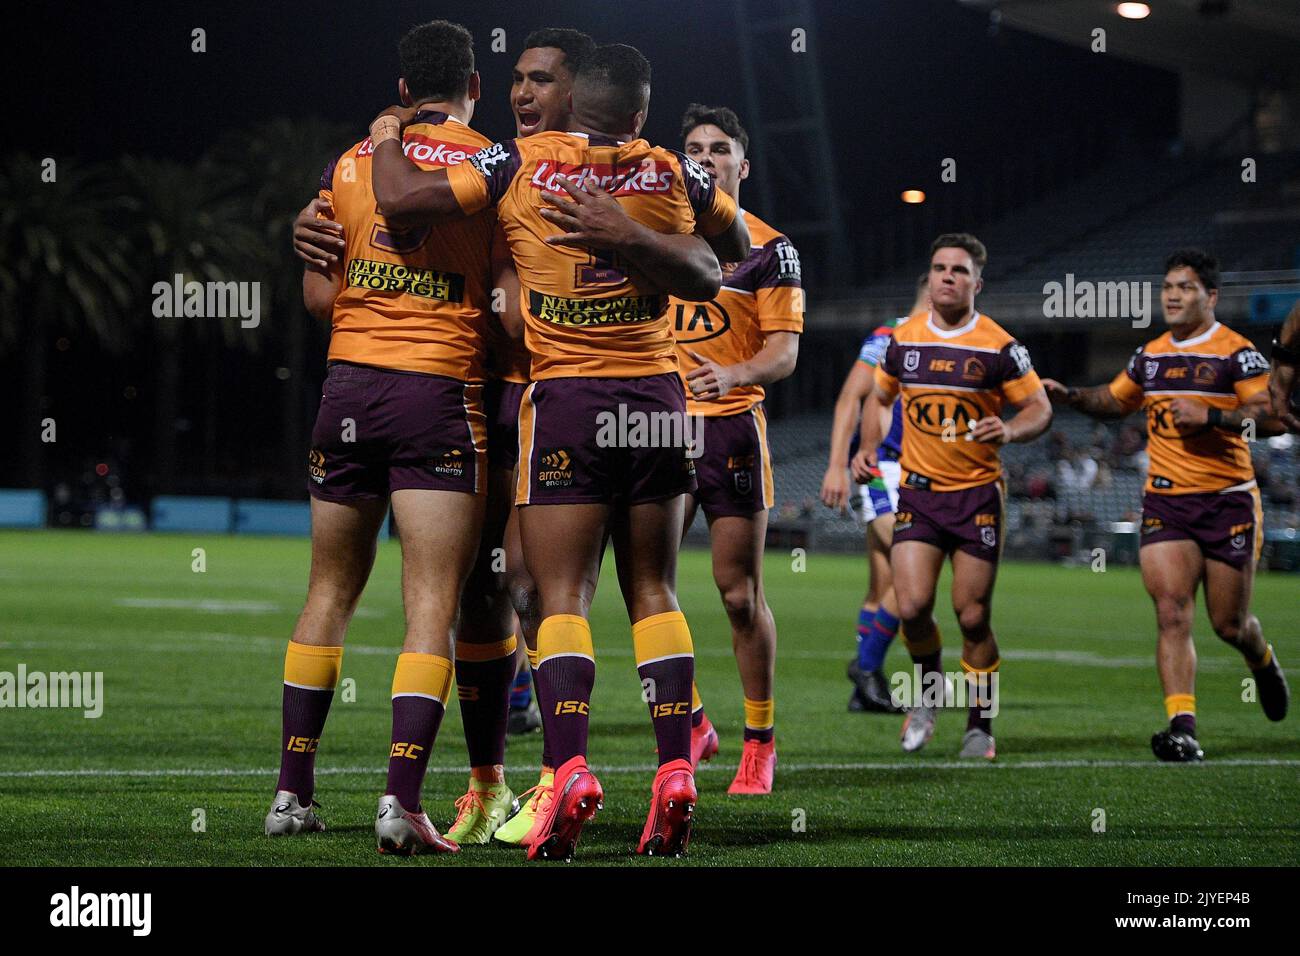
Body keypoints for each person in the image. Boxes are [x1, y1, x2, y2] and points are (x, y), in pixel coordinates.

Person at [368, 42, 749, 859]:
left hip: (566, 400)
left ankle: (568, 769)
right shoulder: (677, 172)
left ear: (572, 99)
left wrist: (391, 132)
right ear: (642, 115)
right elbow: (736, 248)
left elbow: (399, 201)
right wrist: (636, 233)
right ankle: (676, 771)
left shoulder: (520, 164)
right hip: (658, 401)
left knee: (560, 594)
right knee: (655, 591)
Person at [265, 19, 495, 855]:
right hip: (437, 393)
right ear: (475, 85)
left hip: (348, 388)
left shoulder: (350, 164)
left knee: (328, 592)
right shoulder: (487, 164)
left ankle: (292, 792)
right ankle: (399, 801)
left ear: (402, 90)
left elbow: (322, 301)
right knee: (430, 603)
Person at [1042, 249, 1289, 761]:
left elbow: (1271, 420)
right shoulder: (1151, 355)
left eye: (1185, 286)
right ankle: (1183, 727)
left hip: (1228, 503)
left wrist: (1214, 417)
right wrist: (1069, 395)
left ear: (1211, 296)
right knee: (1172, 613)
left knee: (1228, 625)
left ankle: (1260, 657)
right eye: (1168, 286)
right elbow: (1115, 401)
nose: (1173, 295)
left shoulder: (1235, 353)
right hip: (1166, 502)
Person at [851, 233, 1052, 760]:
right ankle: (928, 698)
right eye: (939, 267)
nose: (946, 277)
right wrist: (868, 448)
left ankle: (980, 725)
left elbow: (1039, 410)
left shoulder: (1000, 346)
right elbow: (878, 397)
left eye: (958, 271)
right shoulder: (905, 340)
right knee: (913, 605)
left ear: (976, 283)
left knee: (971, 616)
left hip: (977, 497)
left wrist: (1008, 432)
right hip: (918, 492)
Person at [665, 104, 802, 794]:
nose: (706, 158)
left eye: (720, 149)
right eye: (694, 148)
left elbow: (784, 352)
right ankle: (690, 720)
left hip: (728, 428)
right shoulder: (658, 238)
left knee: (738, 593)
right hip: (657, 427)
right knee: (644, 587)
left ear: (742, 166)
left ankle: (759, 741)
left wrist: (736, 373)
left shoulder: (771, 250)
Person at [822, 275, 928, 714]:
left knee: (883, 584)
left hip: (921, 472)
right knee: (914, 575)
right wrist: (835, 465)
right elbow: (851, 397)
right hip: (883, 467)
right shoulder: (892, 333)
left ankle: (863, 691)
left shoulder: (958, 342)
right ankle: (865, 668)